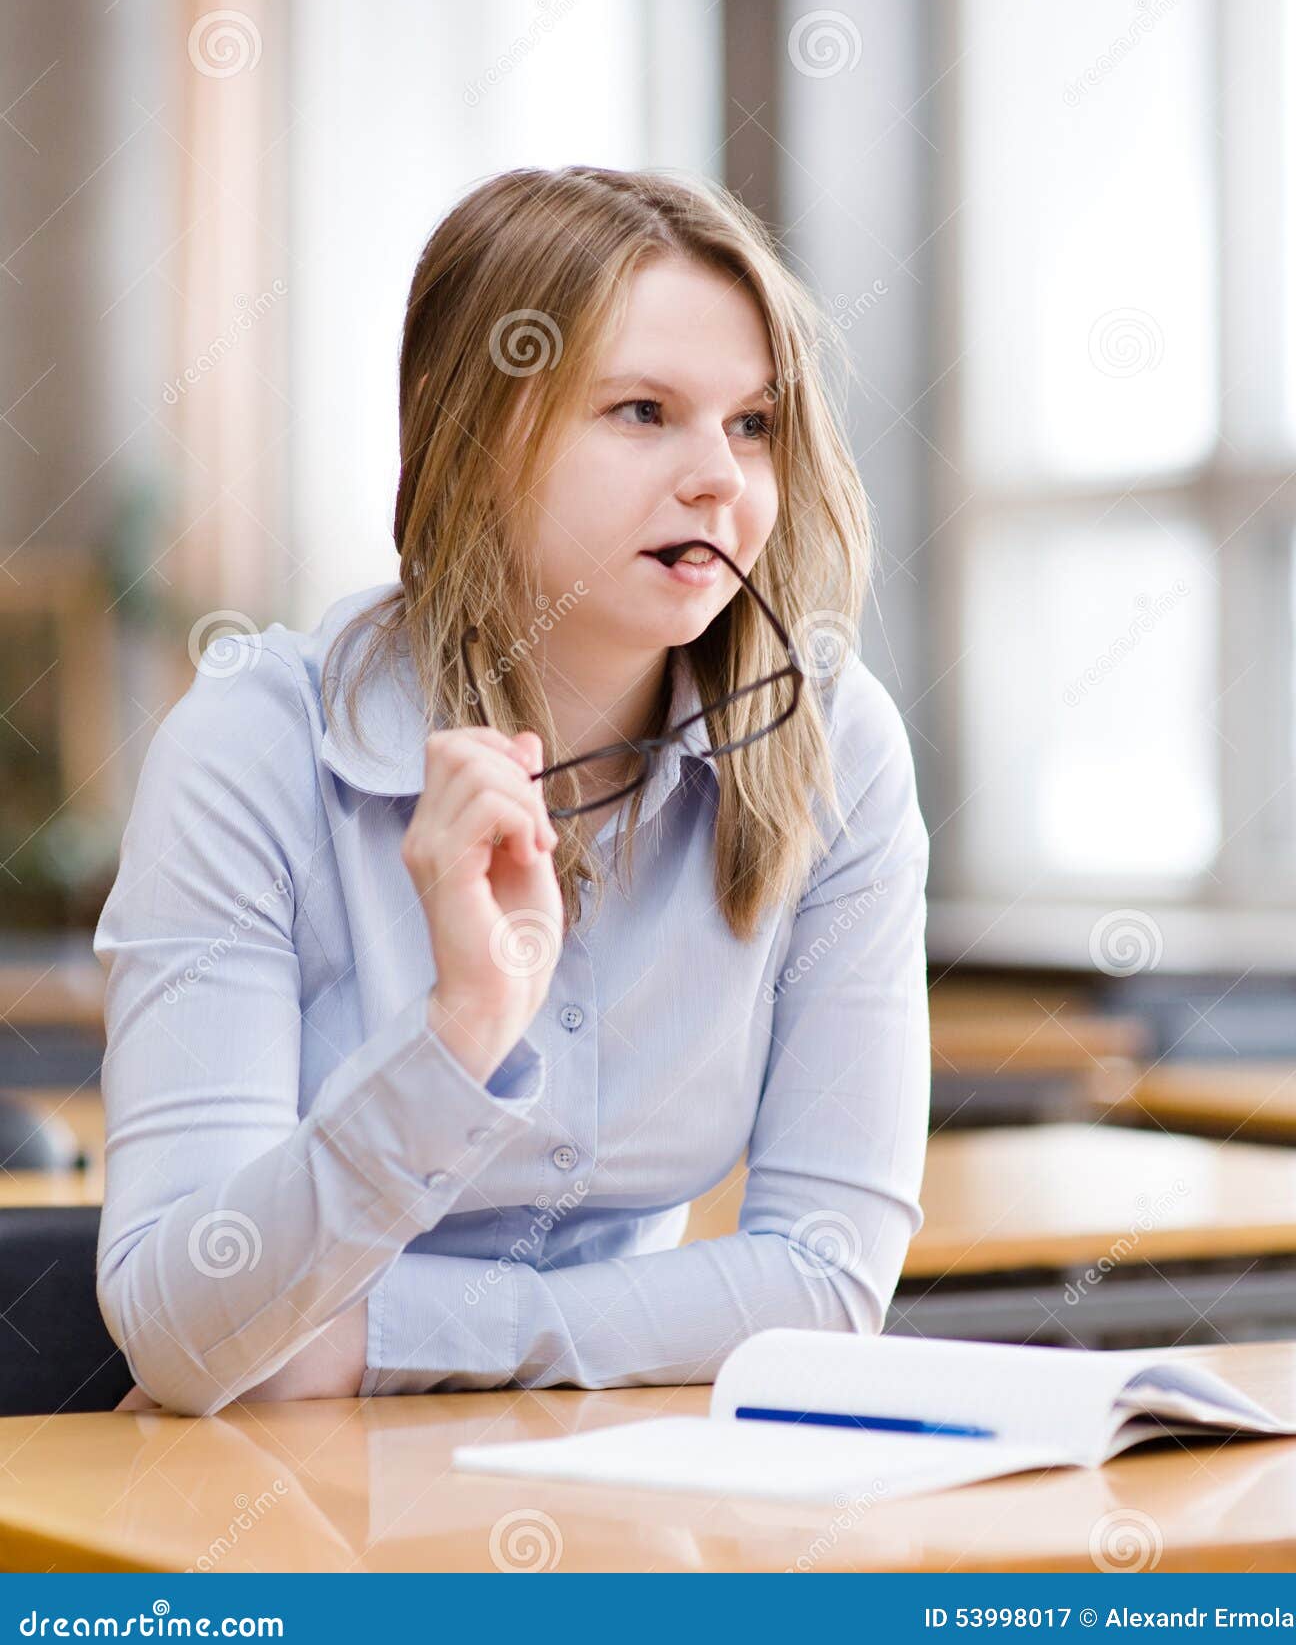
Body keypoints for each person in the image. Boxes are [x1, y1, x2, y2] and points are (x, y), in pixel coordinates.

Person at [95, 165, 930, 1416]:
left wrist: (384, 1338)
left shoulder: (831, 743)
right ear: (466, 432)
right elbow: (183, 1333)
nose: (720, 479)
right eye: (643, 410)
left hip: (623, 1476)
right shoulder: (251, 751)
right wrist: (459, 1034)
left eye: (753, 424)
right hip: (272, 1520)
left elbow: (826, 1282)